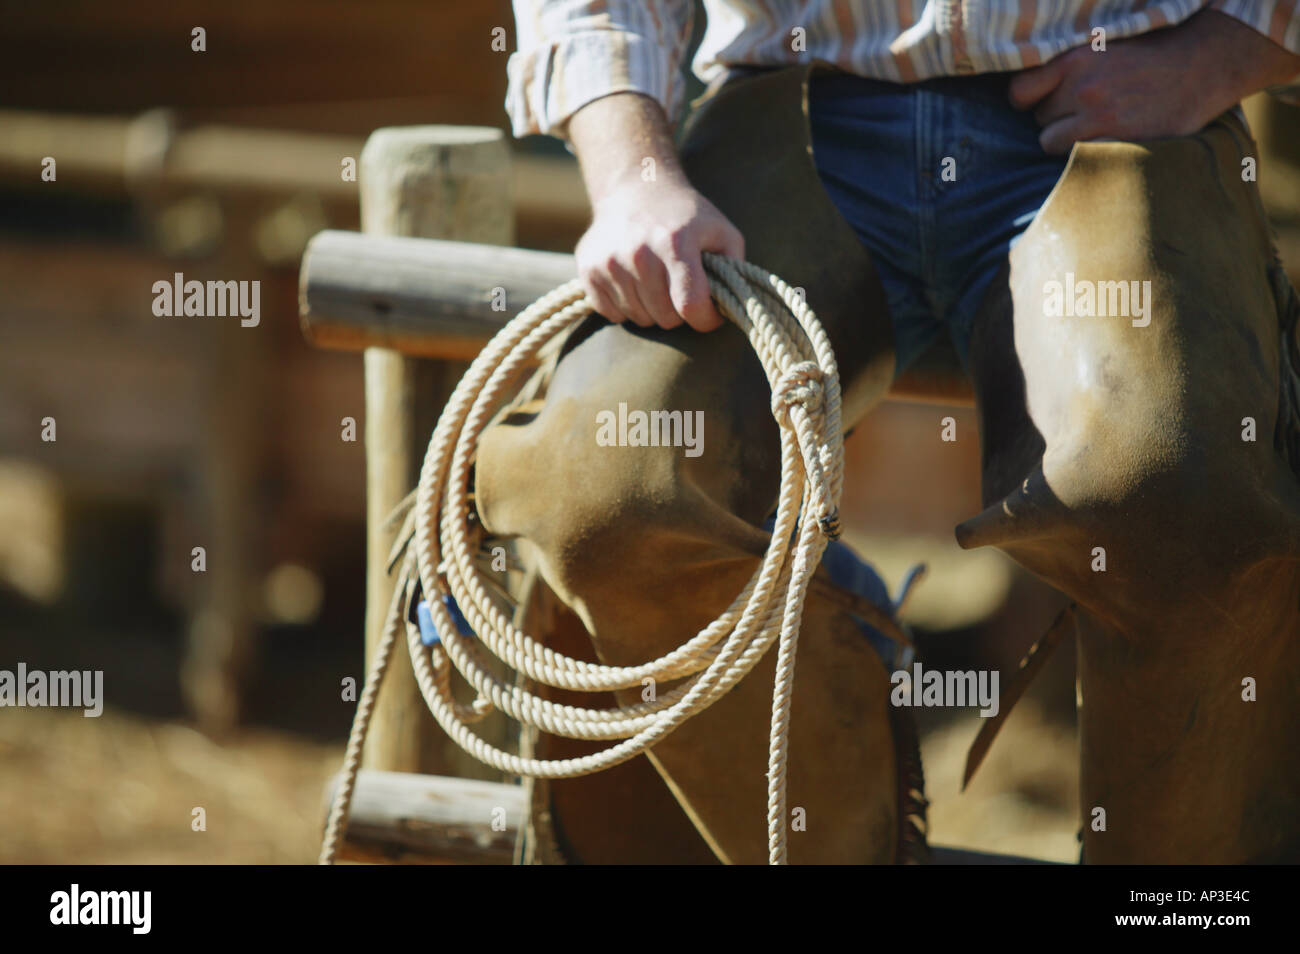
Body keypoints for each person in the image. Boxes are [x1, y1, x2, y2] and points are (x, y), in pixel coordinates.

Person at [483, 2, 1300, 863]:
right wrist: (632, 176)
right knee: (603, 485)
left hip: (1118, 101)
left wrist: (1228, 52)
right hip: (786, 112)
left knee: (1183, 491)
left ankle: (1180, 913)